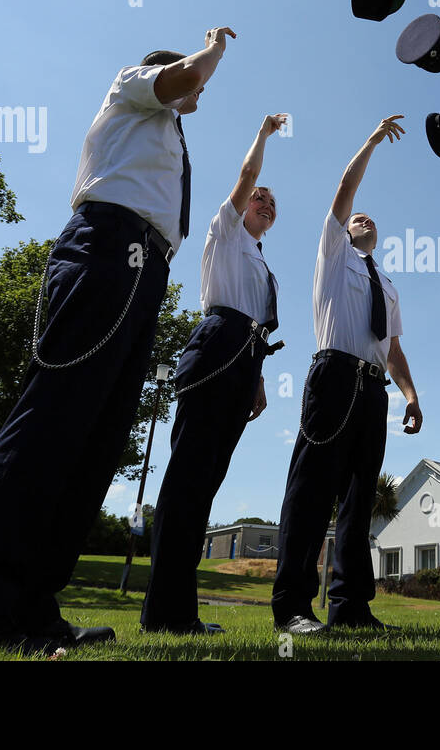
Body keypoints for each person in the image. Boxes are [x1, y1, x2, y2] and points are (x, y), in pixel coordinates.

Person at [0, 27, 238, 654]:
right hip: (106, 250)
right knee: (52, 418)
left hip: (145, 268)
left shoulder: (166, 131)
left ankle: (34, 606)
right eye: (191, 79)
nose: (198, 90)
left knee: (96, 437)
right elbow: (182, 80)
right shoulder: (132, 88)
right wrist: (213, 51)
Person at [271, 116, 422, 634]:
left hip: (373, 389)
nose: (362, 220)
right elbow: (344, 187)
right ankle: (292, 606)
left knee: (359, 501)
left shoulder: (389, 284)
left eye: (368, 220)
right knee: (312, 491)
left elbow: (393, 347)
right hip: (333, 376)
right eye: (356, 218)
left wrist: (410, 394)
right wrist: (373, 140)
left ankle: (352, 606)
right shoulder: (333, 255)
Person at [141, 114, 287, 635]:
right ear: (243, 204)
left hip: (246, 356)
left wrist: (259, 380)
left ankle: (182, 613)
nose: (264, 204)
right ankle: (162, 615)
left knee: (205, 485)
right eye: (259, 198)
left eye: (272, 204)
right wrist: (265, 134)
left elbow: (257, 322)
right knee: (186, 478)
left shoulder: (261, 260)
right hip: (216, 343)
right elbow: (246, 174)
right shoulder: (224, 231)